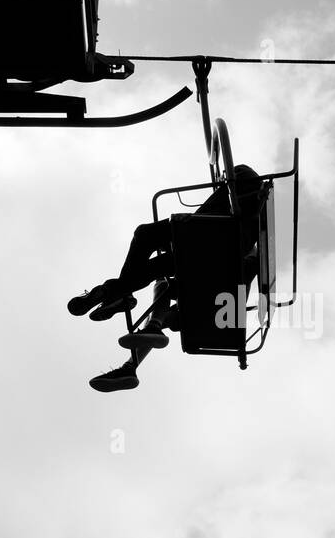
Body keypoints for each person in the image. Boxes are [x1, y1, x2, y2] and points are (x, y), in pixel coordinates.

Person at [68, 164, 265, 392]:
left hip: (205, 267)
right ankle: (135, 352)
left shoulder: (239, 227)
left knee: (147, 240)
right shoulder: (243, 234)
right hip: (201, 274)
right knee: (160, 274)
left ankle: (116, 295)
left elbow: (225, 244)